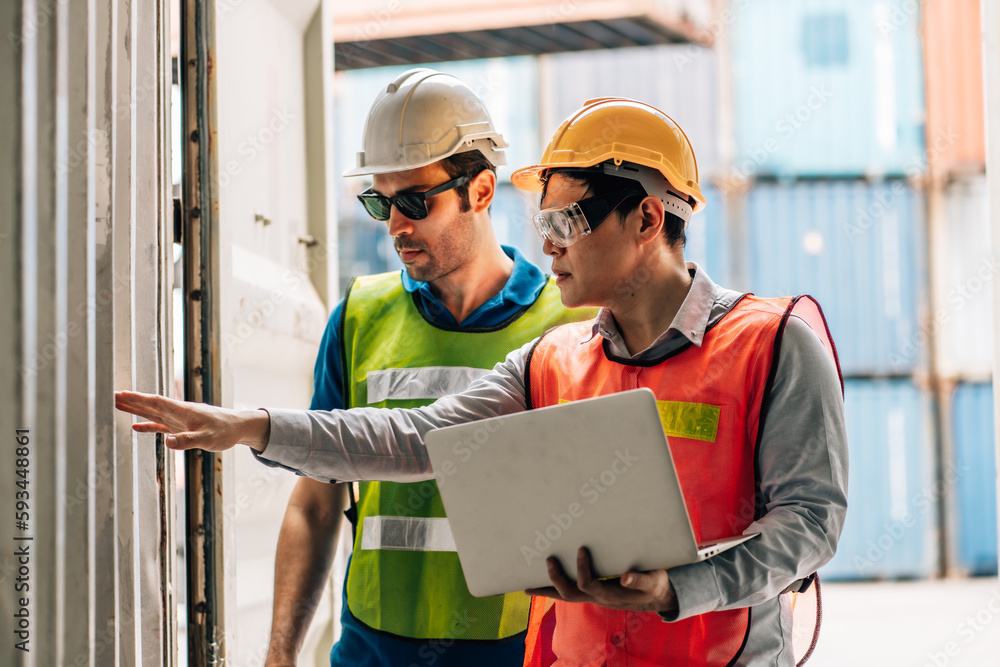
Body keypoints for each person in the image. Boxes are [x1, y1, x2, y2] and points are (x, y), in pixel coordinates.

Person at [117, 97, 848, 666]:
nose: (547, 242)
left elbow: (810, 524)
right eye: (541, 219)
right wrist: (255, 427)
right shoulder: (551, 361)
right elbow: (416, 438)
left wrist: (677, 588)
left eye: (565, 217)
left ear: (647, 216)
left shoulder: (774, 344)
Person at [260, 69, 592, 667]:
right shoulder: (360, 317)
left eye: (415, 201)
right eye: (379, 202)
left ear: (482, 191)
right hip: (370, 649)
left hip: (517, 652)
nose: (395, 226)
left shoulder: (571, 326)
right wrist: (280, 655)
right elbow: (315, 505)